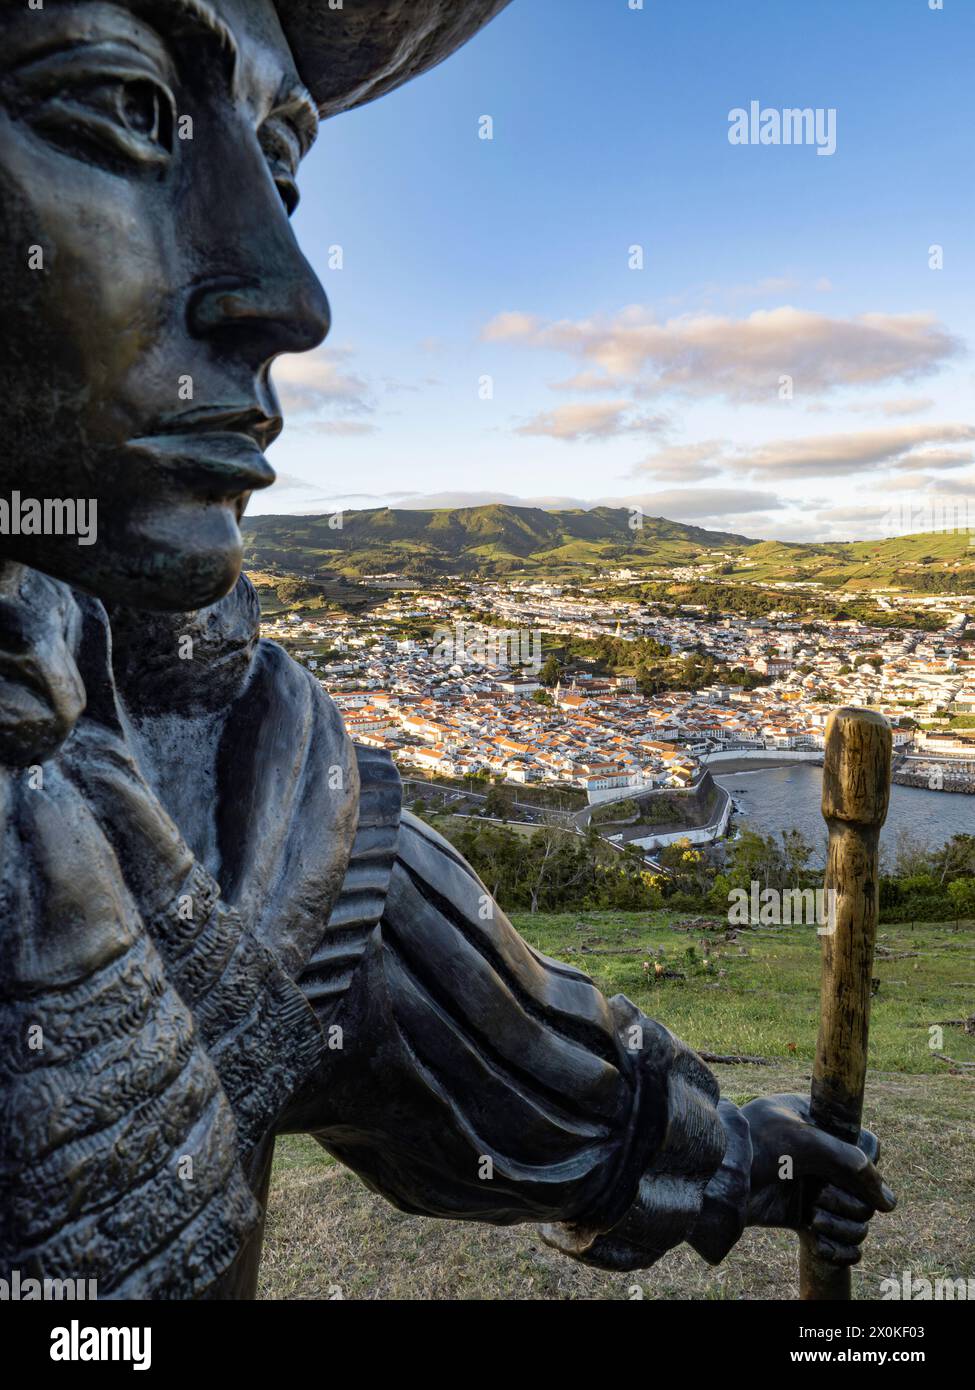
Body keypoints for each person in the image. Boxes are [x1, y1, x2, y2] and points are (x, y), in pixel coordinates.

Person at [0, 0, 894, 1300]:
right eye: (128, 109)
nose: (292, 298)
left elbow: (490, 1054)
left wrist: (741, 1156)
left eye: (284, 168)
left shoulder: (213, 771)